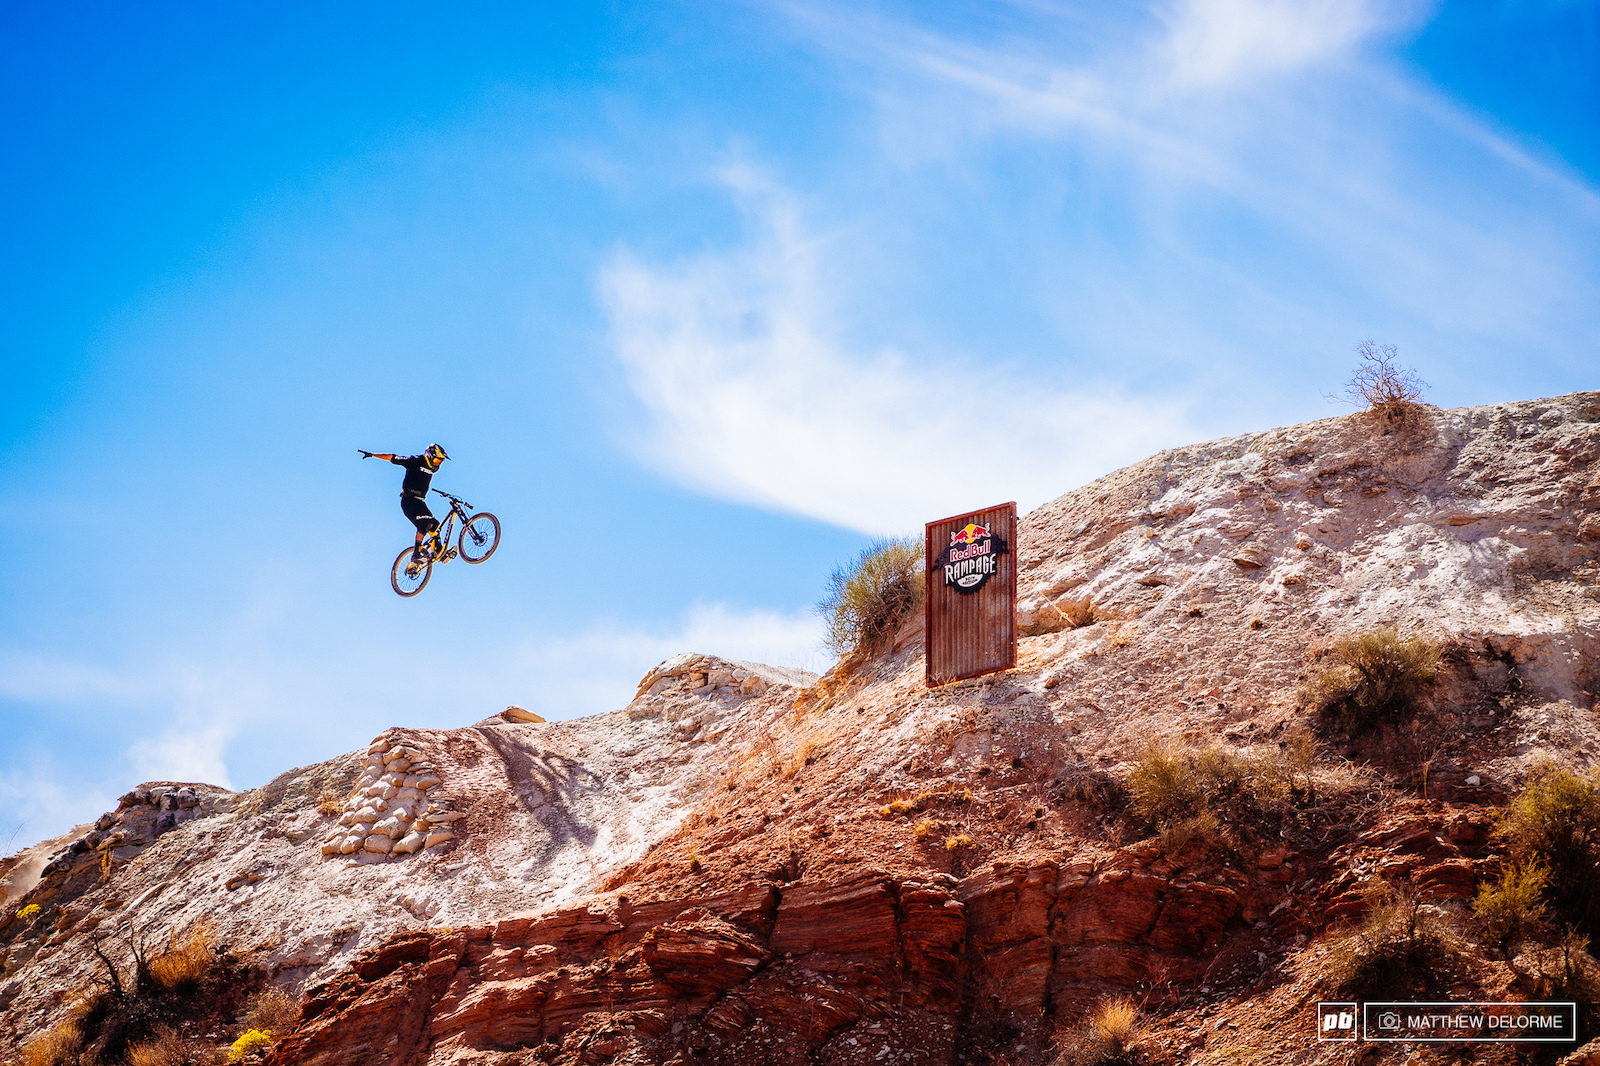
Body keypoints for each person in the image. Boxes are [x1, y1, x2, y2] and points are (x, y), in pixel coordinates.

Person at [360, 444, 449, 560]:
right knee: (425, 524)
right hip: (409, 501)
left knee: (436, 526)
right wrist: (373, 455)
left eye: (440, 461)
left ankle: (439, 553)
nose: (438, 464)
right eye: (437, 460)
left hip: (420, 502)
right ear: (429, 456)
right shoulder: (414, 461)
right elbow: (393, 457)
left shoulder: (433, 468)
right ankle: (416, 554)